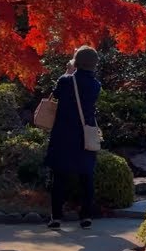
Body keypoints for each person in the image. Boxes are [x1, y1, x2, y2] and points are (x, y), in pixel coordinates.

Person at [44, 46, 102, 230]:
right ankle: (86, 216)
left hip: (63, 134)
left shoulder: (65, 81)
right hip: (85, 134)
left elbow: (56, 95)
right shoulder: (96, 85)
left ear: (76, 61)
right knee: (86, 176)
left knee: (59, 177)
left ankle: (56, 217)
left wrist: (69, 71)